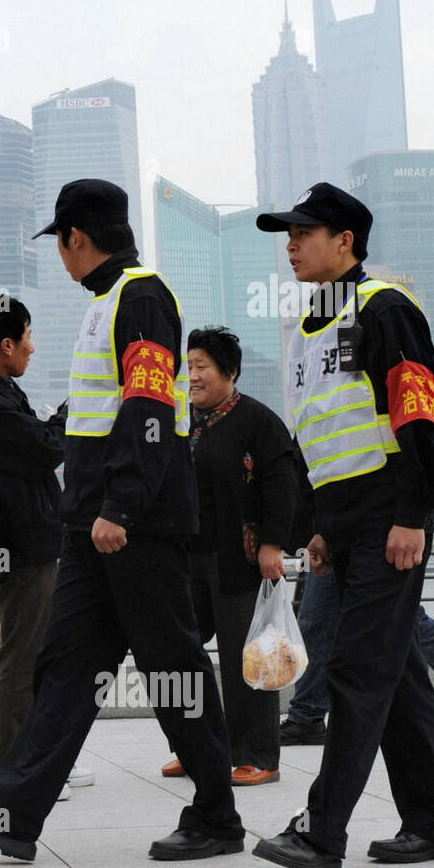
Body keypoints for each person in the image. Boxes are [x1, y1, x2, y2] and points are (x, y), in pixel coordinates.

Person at [0, 179, 244, 862]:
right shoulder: (106, 303)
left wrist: (122, 505)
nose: (60, 257)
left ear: (76, 238)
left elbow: (151, 410)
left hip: (136, 526)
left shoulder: (142, 296)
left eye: (60, 243)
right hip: (94, 528)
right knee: (65, 669)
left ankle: (217, 816)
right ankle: (8, 814)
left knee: (172, 670)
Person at [251, 182, 434, 868]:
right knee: (397, 672)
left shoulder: (385, 310)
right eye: (286, 235)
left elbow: (417, 417)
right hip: (346, 526)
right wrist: (319, 528)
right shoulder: (303, 334)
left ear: (345, 241)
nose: (289, 245)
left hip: (389, 519)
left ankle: (320, 833)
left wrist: (411, 515)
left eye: (302, 233)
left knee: (356, 670)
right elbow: (321, 439)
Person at [0, 293, 93, 796]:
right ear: (7, 344)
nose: (33, 348)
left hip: (33, 542)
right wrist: (72, 411)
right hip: (19, 549)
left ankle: (37, 760)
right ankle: (13, 769)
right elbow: (45, 448)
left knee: (39, 653)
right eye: (28, 338)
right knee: (22, 655)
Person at [160, 327, 297, 786]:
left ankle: (258, 756)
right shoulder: (182, 422)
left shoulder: (258, 421)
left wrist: (273, 545)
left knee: (248, 660)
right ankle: (197, 747)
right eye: (190, 366)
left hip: (239, 559)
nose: (192, 376)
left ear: (230, 372)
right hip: (185, 560)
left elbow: (283, 484)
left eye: (202, 366)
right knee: (181, 654)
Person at [281, 569, 434, 747]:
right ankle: (307, 714)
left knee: (408, 619)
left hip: (376, 531)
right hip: (340, 529)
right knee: (316, 621)